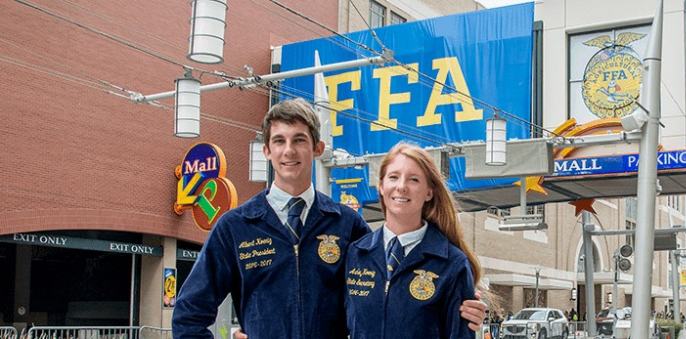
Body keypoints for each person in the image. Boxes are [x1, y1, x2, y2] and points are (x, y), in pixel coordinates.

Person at [173, 99, 487, 339]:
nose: (289, 151)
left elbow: (392, 285)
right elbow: (189, 314)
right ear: (266, 151)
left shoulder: (347, 225)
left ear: (318, 148)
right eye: (279, 141)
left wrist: (461, 303)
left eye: (299, 140)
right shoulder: (236, 227)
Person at [344, 143, 481, 338]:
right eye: (393, 177)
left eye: (414, 179)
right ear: (381, 187)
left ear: (429, 192)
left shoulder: (452, 263)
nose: (401, 187)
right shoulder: (356, 254)